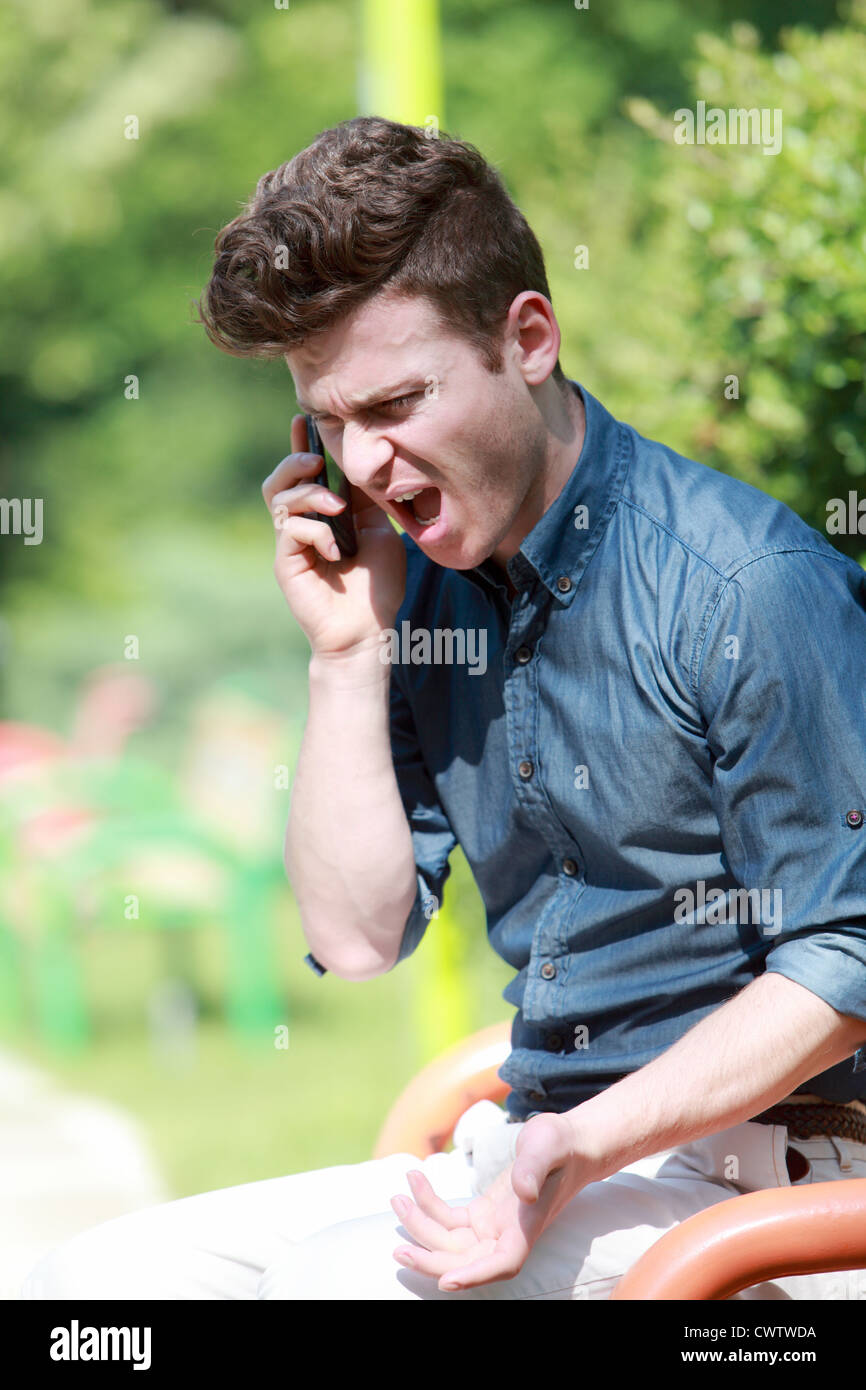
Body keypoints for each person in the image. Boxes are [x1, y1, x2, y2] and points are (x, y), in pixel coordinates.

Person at [21, 116, 866, 1301]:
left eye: (396, 403)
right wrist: (345, 654)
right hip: (539, 1146)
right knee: (92, 1282)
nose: (362, 463)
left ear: (525, 338)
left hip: (777, 1185)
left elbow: (844, 960)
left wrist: (581, 1143)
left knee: (333, 1288)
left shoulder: (743, 582)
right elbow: (358, 938)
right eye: (328, 420)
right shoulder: (410, 590)